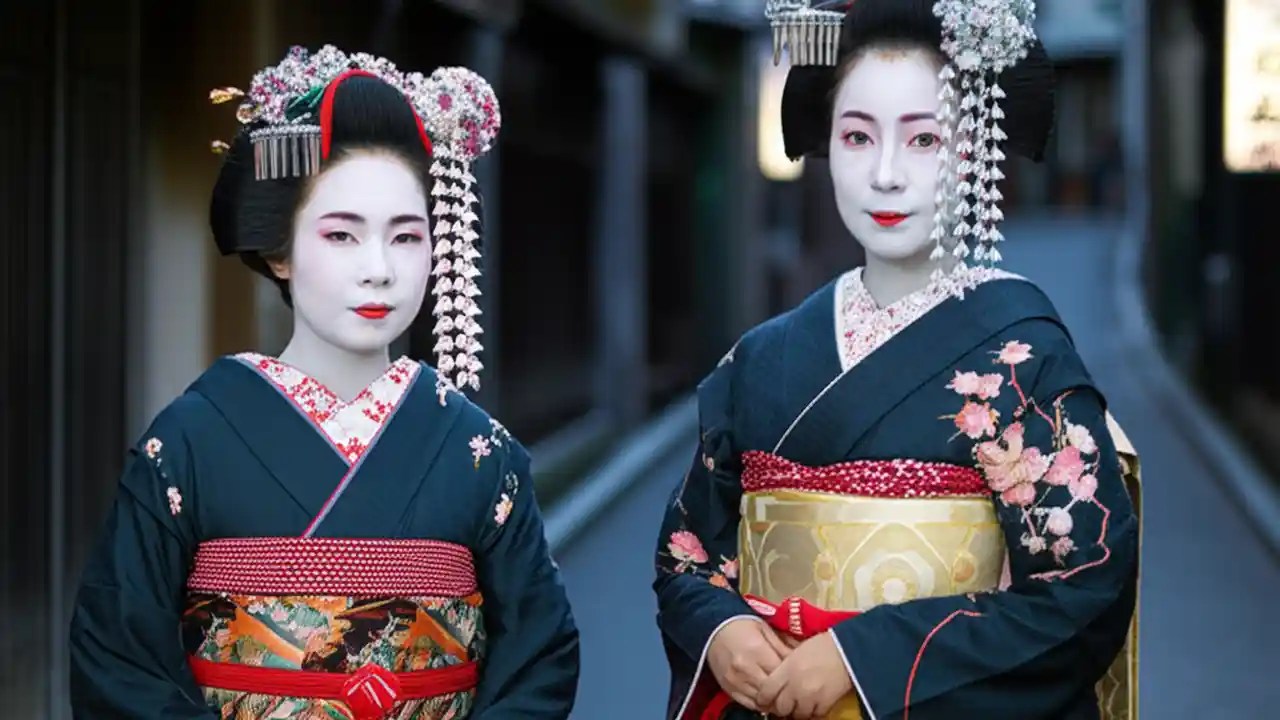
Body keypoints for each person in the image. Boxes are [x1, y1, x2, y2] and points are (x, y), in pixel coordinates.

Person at [652, 1, 1140, 718]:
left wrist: (863, 658)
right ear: (828, 143)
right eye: (857, 136)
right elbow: (686, 553)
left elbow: (1082, 584)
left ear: (972, 149)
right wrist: (720, 627)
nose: (885, 174)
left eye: (923, 141)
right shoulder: (760, 359)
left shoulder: (1024, 359)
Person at [69, 46, 578, 719]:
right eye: (342, 236)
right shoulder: (189, 441)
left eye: (406, 237)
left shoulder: (481, 454)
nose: (379, 270)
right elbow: (118, 655)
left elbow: (540, 658)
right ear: (279, 250)